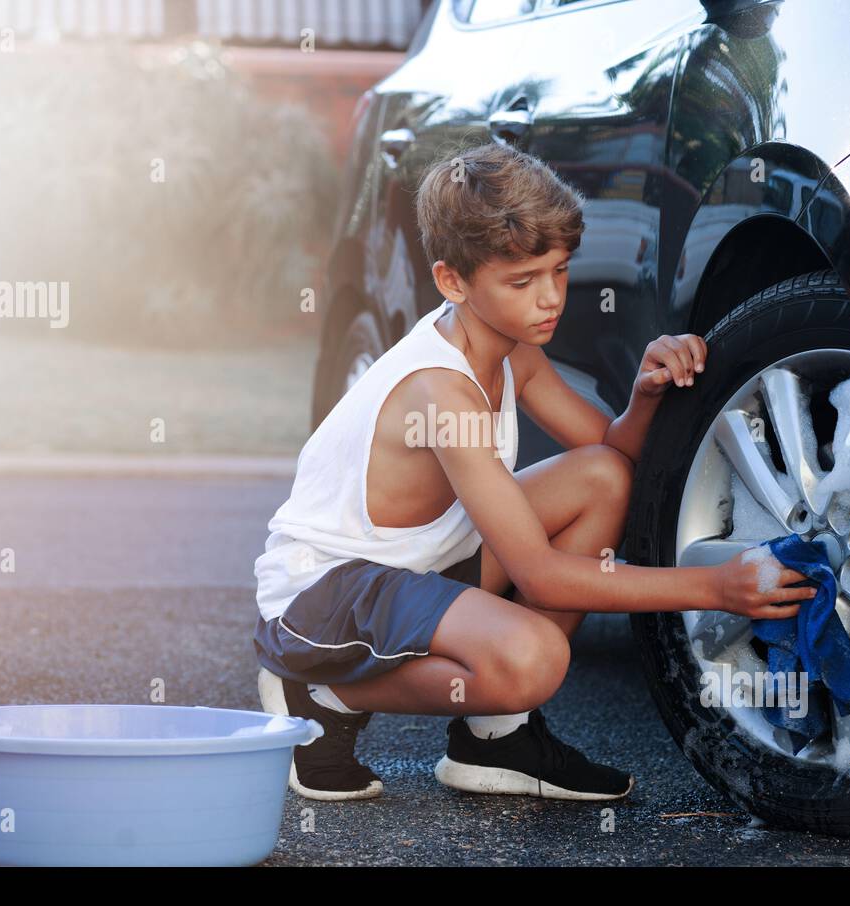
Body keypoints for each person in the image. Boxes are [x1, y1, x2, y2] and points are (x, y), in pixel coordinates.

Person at [252, 141, 815, 801]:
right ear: (452, 281)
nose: (549, 299)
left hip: (413, 567)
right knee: (534, 660)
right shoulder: (441, 391)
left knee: (602, 477)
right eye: (523, 282)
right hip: (324, 597)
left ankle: (496, 733)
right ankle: (323, 692)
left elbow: (614, 454)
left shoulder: (511, 348)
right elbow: (539, 575)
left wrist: (645, 393)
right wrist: (712, 587)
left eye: (558, 271)